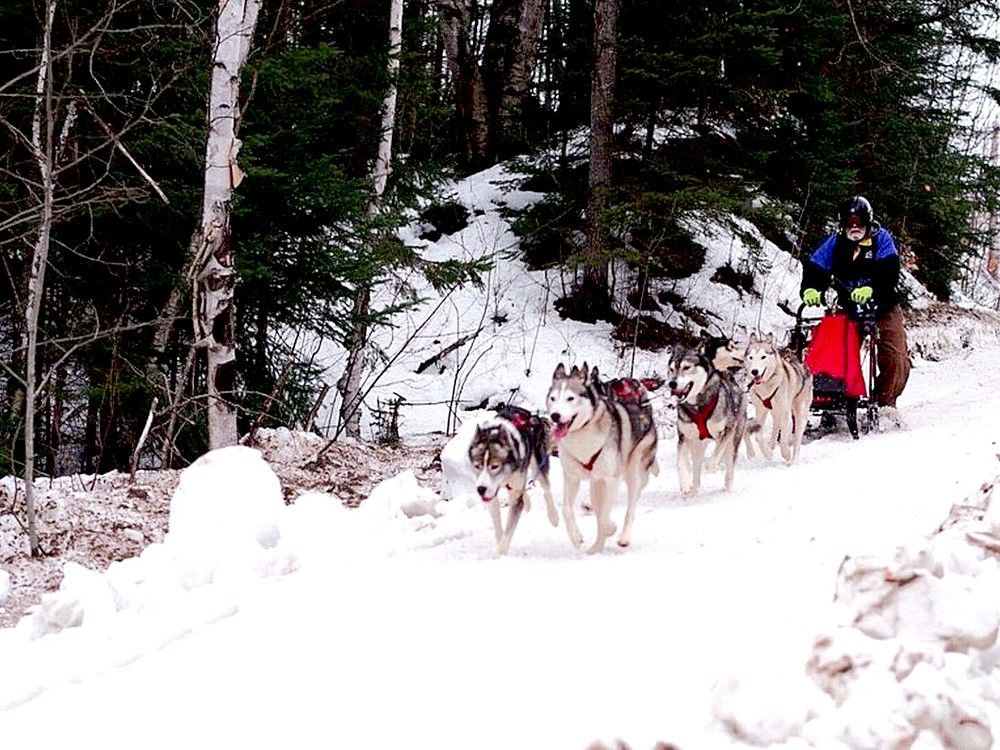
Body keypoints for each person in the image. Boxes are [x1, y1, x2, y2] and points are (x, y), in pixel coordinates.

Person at [800, 195, 911, 409]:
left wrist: (874, 288)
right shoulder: (835, 243)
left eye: (859, 222)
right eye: (849, 223)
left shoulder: (882, 239)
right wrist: (811, 289)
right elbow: (816, 267)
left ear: (867, 221)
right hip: (850, 308)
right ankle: (834, 397)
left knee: (896, 356)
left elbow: (890, 270)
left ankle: (885, 402)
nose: (854, 227)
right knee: (834, 351)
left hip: (883, 305)